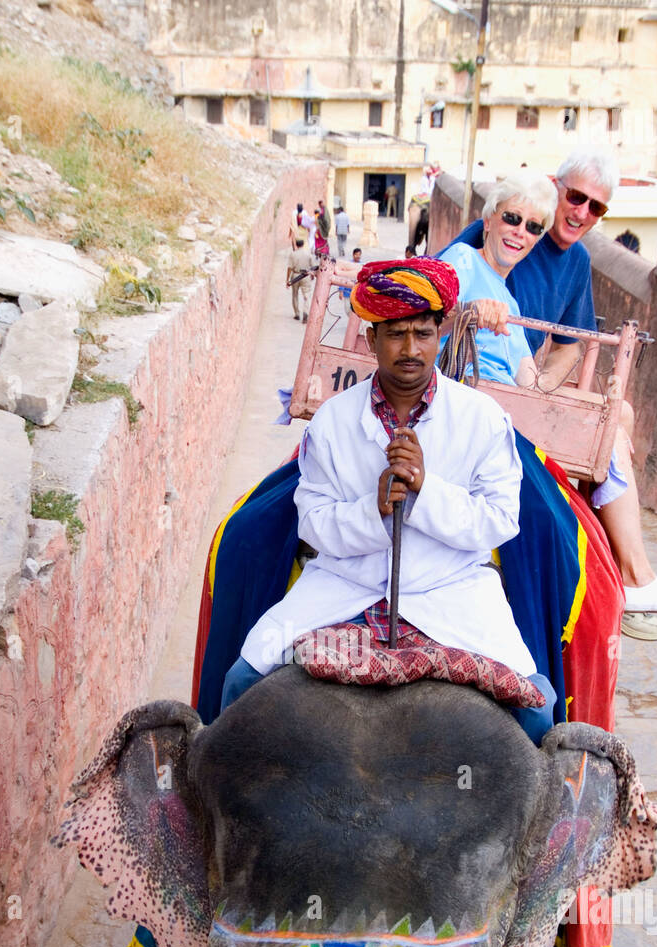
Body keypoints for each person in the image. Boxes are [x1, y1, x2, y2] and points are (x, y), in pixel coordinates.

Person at [221, 257, 556, 746]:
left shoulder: (483, 419)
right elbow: (313, 524)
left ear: (440, 334)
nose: (410, 349)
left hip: (452, 589)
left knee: (538, 713)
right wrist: (373, 509)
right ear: (371, 339)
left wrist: (425, 490)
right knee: (242, 683)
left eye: (422, 333)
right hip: (344, 584)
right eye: (395, 334)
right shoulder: (332, 422)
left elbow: (500, 520)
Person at [441, 145, 657, 633]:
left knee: (617, 414)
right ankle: (632, 575)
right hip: (478, 385)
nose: (522, 233)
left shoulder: (569, 262)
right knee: (612, 417)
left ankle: (627, 570)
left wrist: (542, 386)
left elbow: (566, 342)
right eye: (577, 197)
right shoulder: (481, 246)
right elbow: (435, 295)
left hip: (515, 380)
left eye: (597, 207)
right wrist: (468, 314)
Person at [436, 170, 623, 733]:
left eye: (532, 226)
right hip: (461, 410)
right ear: (489, 219)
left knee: (568, 525)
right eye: (511, 218)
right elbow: (420, 311)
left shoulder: (508, 296)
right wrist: (462, 313)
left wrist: (565, 396)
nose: (519, 231)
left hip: (506, 416)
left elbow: (530, 380)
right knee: (543, 530)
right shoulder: (464, 267)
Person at [286, 233, 314, 322]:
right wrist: (312, 275)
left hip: (295, 275)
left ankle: (297, 313)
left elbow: (289, 268)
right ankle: (305, 311)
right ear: (303, 244)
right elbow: (312, 266)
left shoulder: (293, 254)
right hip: (305, 275)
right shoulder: (308, 254)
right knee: (307, 295)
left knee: (295, 295)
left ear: (296, 245)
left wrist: (287, 279)